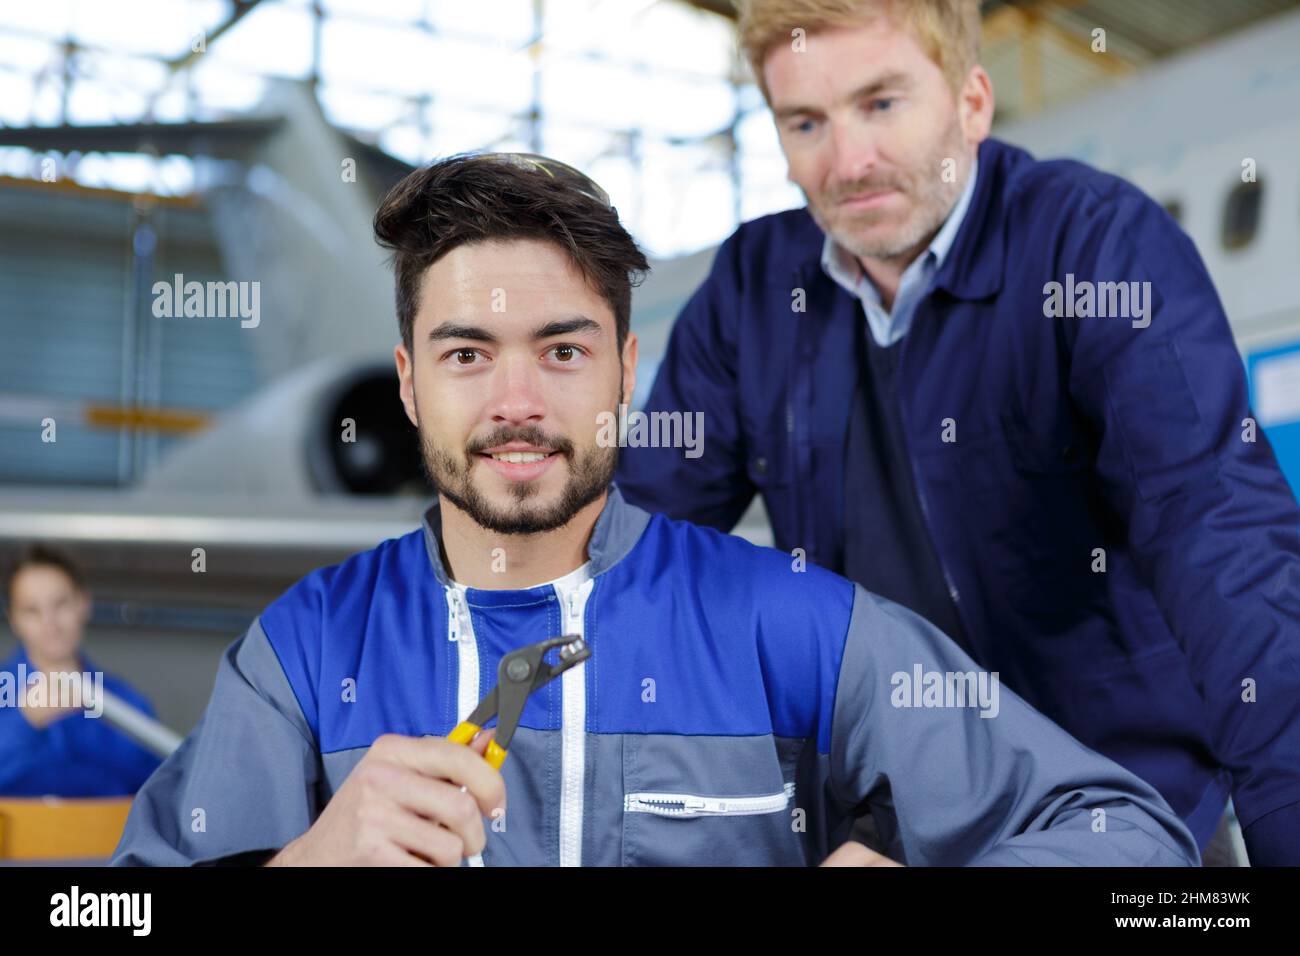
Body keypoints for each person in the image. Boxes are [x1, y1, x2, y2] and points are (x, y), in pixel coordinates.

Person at [112, 152, 1197, 867]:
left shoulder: (794, 626)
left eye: (564, 350)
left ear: (626, 368)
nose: (518, 402)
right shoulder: (300, 653)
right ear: (406, 382)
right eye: (466, 354)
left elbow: (1133, 838)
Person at [614, 0, 1300, 865]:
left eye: (882, 103)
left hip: (1118, 809)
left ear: (972, 102)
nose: (849, 161)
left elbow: (1227, 551)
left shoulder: (1096, 248)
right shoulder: (753, 293)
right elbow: (633, 567)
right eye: (805, 122)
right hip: (889, 819)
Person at [0, 544, 161, 797]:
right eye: (32, 610)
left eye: (60, 604)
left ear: (84, 604)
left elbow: (159, 795)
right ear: (14, 619)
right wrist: (25, 720)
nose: (49, 622)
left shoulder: (126, 702)